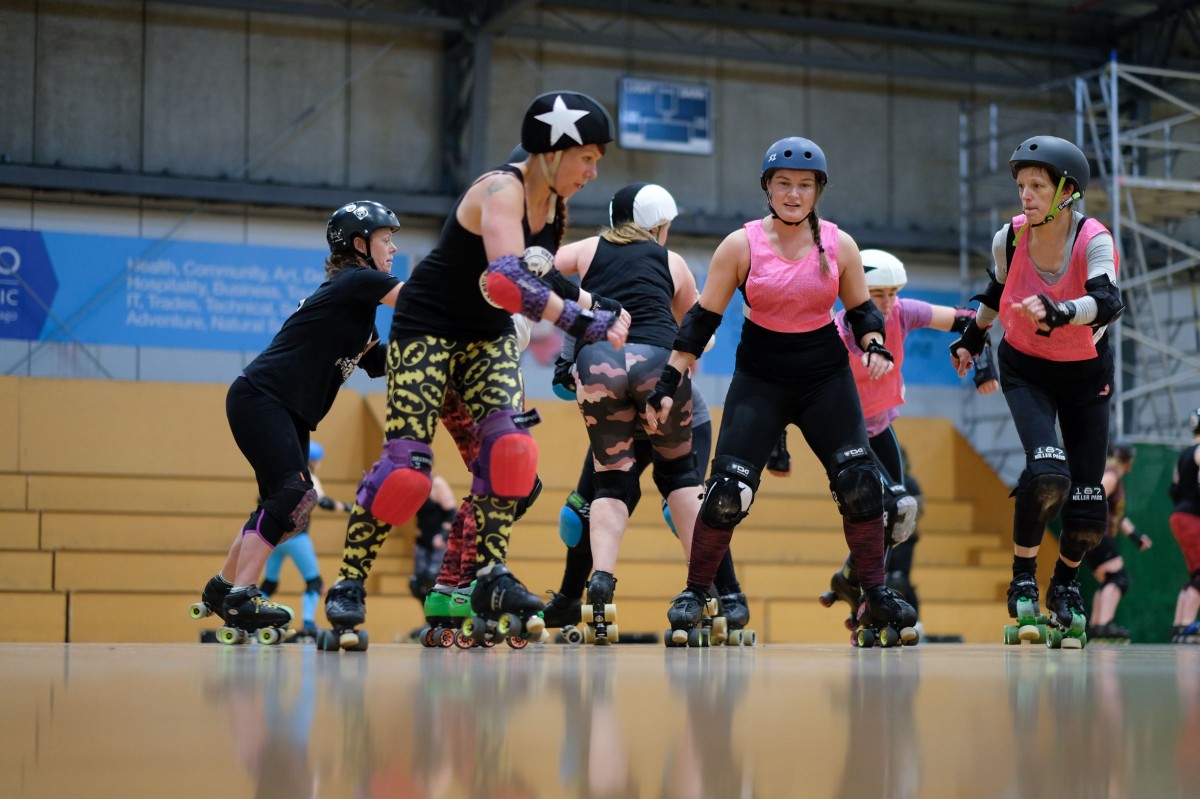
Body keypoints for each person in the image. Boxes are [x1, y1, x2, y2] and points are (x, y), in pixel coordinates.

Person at [323, 90, 629, 646]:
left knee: (511, 449)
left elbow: (541, 274)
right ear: (554, 150)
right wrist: (582, 323)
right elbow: (507, 281)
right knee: (408, 469)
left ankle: (487, 575)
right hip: (429, 325)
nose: (592, 171)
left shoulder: (554, 209)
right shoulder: (501, 189)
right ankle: (349, 582)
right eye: (588, 157)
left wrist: (594, 304)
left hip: (485, 334)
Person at [646, 136, 917, 647]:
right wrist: (667, 382)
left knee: (861, 485)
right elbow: (702, 318)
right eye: (784, 184)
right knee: (727, 493)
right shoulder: (740, 245)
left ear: (818, 191)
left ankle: (875, 593)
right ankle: (697, 591)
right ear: (767, 187)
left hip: (824, 380)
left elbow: (861, 311)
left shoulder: (841, 244)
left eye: (805, 186)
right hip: (760, 379)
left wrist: (875, 344)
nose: (794, 194)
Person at [190, 200, 403, 643]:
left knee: (287, 507)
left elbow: (385, 361)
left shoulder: (359, 316)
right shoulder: (356, 281)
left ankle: (223, 586)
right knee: (295, 494)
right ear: (360, 245)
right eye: (387, 239)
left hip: (284, 408)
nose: (394, 248)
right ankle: (243, 595)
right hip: (262, 397)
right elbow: (420, 301)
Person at [950, 135, 1124, 647]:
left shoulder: (1093, 238)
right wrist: (973, 337)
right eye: (1022, 184)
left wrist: (1060, 311)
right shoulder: (1010, 237)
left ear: (1067, 191)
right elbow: (997, 291)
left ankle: (1064, 589)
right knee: (1048, 475)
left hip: (1087, 374)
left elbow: (1108, 300)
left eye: (1037, 185)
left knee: (1090, 510)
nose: (1026, 194)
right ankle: (1023, 577)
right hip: (1026, 366)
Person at [774, 248, 1001, 632]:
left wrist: (981, 364)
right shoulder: (835, 330)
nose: (888, 302)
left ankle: (854, 582)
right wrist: (777, 446)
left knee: (899, 517)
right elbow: (785, 380)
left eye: (893, 292)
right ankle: (863, 589)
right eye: (878, 293)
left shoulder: (903, 312)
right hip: (843, 433)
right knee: (897, 506)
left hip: (879, 427)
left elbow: (973, 322)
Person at [550, 182, 706, 643]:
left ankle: (599, 585)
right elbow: (701, 327)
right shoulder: (671, 261)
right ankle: (702, 589)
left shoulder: (586, 249)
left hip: (597, 361)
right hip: (657, 362)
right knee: (679, 477)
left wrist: (574, 322)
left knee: (612, 480)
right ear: (659, 227)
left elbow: (529, 269)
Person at [259, 440, 352, 641]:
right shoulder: (308, 476)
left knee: (269, 583)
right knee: (314, 582)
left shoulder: (279, 472)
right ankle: (308, 623)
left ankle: (251, 617)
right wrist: (348, 508)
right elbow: (324, 503)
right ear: (314, 461)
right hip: (296, 537)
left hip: (273, 538)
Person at [1086, 440, 1153, 641]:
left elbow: (1118, 517)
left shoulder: (1111, 475)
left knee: (1109, 579)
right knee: (1118, 578)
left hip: (1096, 532)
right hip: (1097, 533)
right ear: (1129, 460)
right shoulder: (1111, 476)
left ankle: (1097, 625)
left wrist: (1135, 537)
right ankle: (1103, 625)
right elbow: (1092, 499)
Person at [1169, 407, 1200, 643]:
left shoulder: (1183, 455)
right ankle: (1188, 626)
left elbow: (1174, 489)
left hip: (1180, 516)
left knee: (1195, 576)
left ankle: (1179, 626)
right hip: (1192, 518)